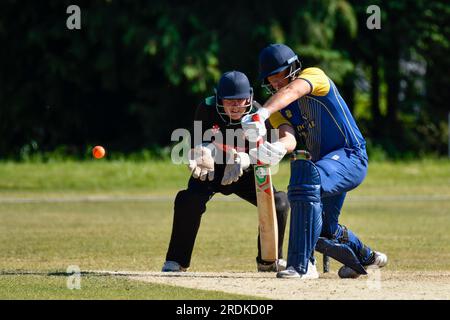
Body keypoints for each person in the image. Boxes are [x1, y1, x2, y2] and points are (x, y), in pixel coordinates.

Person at [241, 44, 387, 279]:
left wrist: (261, 113)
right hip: (323, 166)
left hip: (350, 155)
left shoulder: (314, 76)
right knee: (326, 231)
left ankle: (303, 265)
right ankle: (367, 257)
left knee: (304, 182)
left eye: (279, 76)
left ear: (293, 69)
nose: (276, 84)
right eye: (271, 80)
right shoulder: (279, 108)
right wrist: (277, 148)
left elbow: (293, 91)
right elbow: (288, 137)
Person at [162, 71, 289, 272]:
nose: (236, 106)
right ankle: (176, 261)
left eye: (240, 100)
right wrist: (203, 152)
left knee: (280, 202)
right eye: (230, 101)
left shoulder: (257, 114)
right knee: (187, 200)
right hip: (213, 169)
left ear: (250, 97)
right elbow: (199, 143)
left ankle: (268, 260)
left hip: (246, 172)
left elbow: (264, 154)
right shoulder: (206, 108)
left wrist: (244, 159)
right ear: (219, 98)